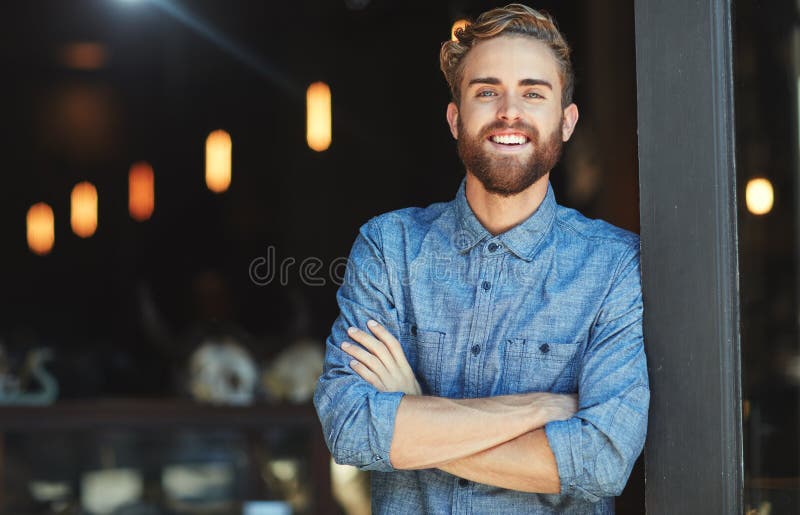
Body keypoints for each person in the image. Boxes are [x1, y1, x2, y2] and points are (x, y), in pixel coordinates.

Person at [313, 4, 649, 513]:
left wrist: (416, 416)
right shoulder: (389, 248)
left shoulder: (614, 267)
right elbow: (351, 428)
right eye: (487, 92)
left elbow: (601, 461)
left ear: (566, 120)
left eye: (533, 93)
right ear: (455, 118)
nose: (509, 112)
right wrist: (542, 409)